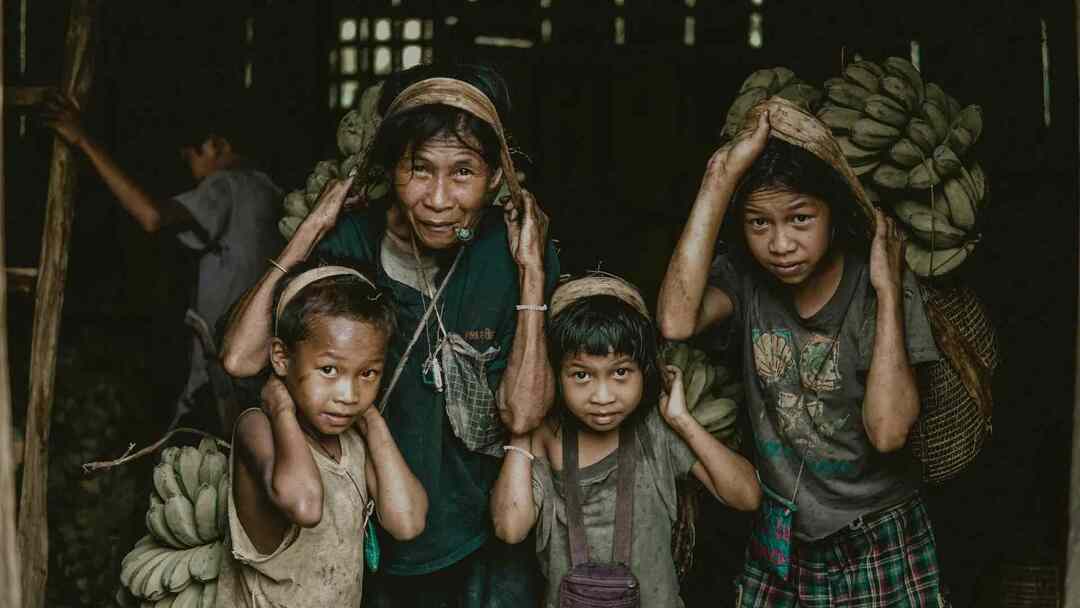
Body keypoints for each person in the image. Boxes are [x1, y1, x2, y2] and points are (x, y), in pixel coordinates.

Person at [220, 63, 560, 606]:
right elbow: (241, 358)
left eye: (464, 173)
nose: (439, 198)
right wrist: (312, 227)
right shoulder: (354, 239)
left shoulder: (510, 255)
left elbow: (522, 416)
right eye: (419, 170)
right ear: (391, 168)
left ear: (496, 177)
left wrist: (533, 274)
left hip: (483, 534)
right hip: (368, 535)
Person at [657, 98, 949, 606]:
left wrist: (886, 289)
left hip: (879, 535)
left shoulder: (876, 287)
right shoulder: (747, 283)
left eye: (799, 219)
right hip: (782, 536)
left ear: (833, 216)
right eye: (758, 224)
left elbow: (888, 431)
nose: (780, 244)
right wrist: (718, 178)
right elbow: (675, 320)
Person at [490, 274, 760, 608]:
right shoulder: (546, 438)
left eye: (620, 373)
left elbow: (746, 497)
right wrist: (523, 426)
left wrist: (682, 420)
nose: (603, 397)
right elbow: (510, 529)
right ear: (556, 376)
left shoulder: (656, 432)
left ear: (644, 371)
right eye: (581, 375)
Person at [41, 93, 284, 430]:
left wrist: (82, 140)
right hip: (261, 360)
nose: (196, 177)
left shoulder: (225, 185)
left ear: (216, 144)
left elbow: (151, 216)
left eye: (192, 160)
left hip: (226, 368)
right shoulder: (269, 190)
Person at [216, 261, 427, 606]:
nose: (348, 394)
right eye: (329, 370)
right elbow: (305, 505)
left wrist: (372, 420)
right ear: (281, 358)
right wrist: (281, 410)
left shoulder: (355, 442)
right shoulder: (257, 427)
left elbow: (407, 523)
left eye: (368, 373)